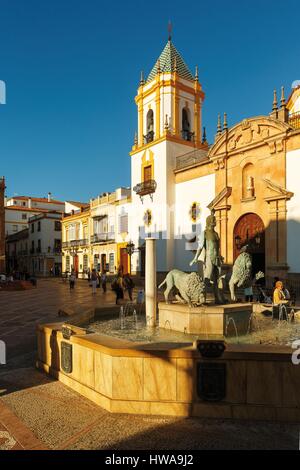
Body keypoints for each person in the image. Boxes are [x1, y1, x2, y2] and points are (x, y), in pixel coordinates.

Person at [190, 209, 225, 304]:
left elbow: (217, 248)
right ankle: (202, 298)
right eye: (213, 220)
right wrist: (195, 258)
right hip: (209, 258)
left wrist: (220, 256)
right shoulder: (204, 233)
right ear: (209, 221)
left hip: (216, 258)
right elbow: (200, 246)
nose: (215, 222)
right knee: (207, 278)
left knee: (217, 280)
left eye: (215, 220)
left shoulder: (216, 234)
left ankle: (217, 299)